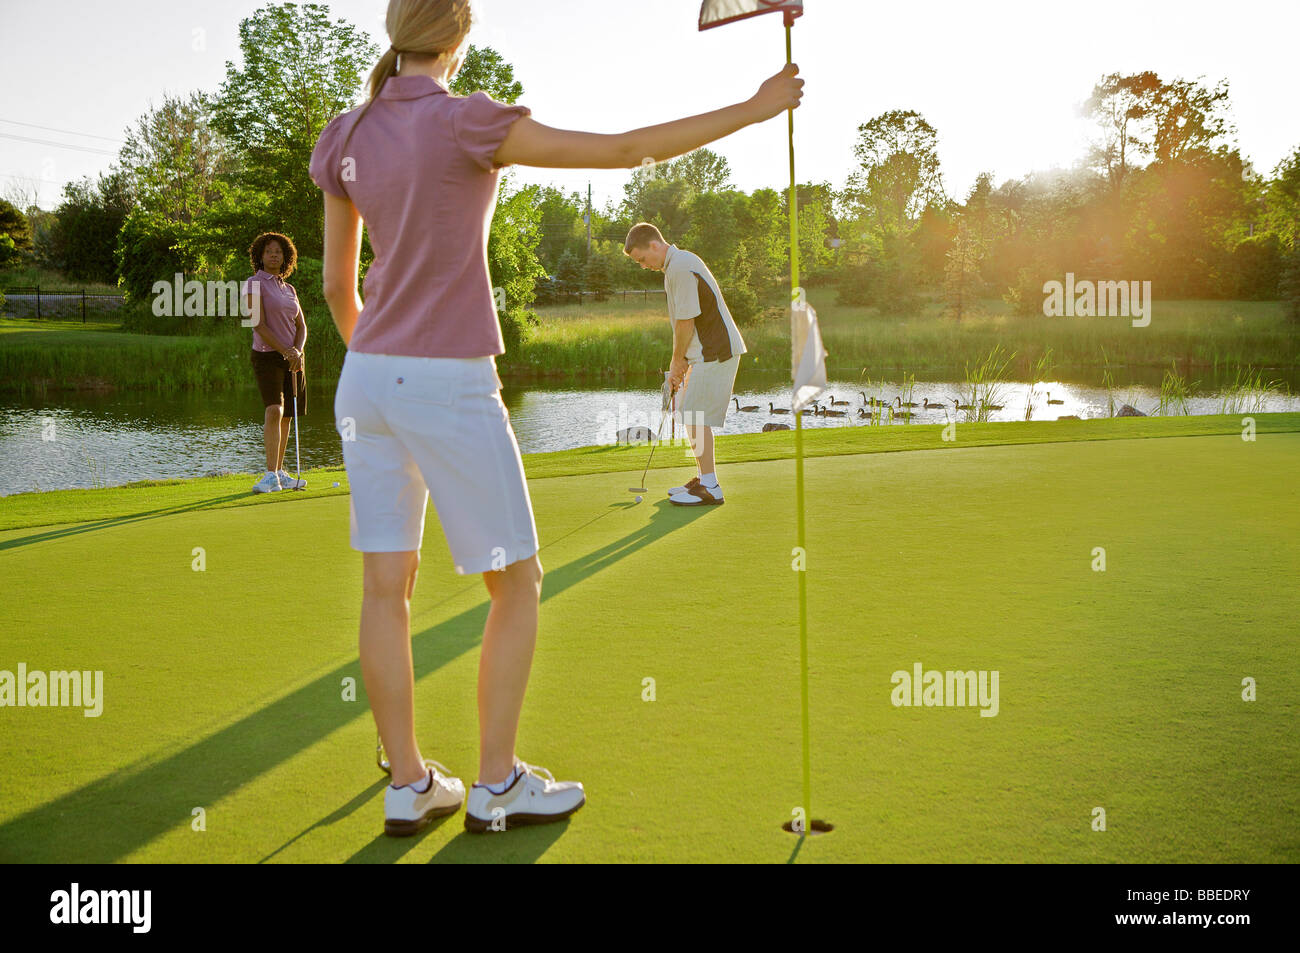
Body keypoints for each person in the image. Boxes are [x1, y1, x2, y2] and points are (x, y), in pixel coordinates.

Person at [309, 0, 804, 836]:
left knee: (384, 587)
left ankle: (410, 784)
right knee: (518, 583)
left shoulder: (345, 132)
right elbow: (621, 151)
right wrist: (754, 108)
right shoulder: (468, 122)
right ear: (458, 39)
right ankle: (497, 784)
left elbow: (334, 290)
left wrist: (383, 367)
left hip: (364, 380)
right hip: (446, 377)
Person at [624, 224, 746, 505]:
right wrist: (682, 361)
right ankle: (704, 479)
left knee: (695, 416)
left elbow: (686, 321)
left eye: (642, 259)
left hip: (715, 351)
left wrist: (677, 361)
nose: (643, 266)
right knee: (690, 414)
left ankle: (711, 487)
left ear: (654, 245)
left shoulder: (680, 267)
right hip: (703, 352)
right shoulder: (676, 266)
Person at [243, 232, 307, 493]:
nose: (274, 255)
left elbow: (301, 326)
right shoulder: (253, 283)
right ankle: (270, 474)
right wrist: (286, 351)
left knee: (287, 416)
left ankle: (280, 472)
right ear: (260, 255)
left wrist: (298, 351)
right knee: (274, 410)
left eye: (279, 251)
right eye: (269, 251)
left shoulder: (289, 288)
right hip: (268, 356)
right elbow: (257, 324)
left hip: (292, 359)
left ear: (286, 257)